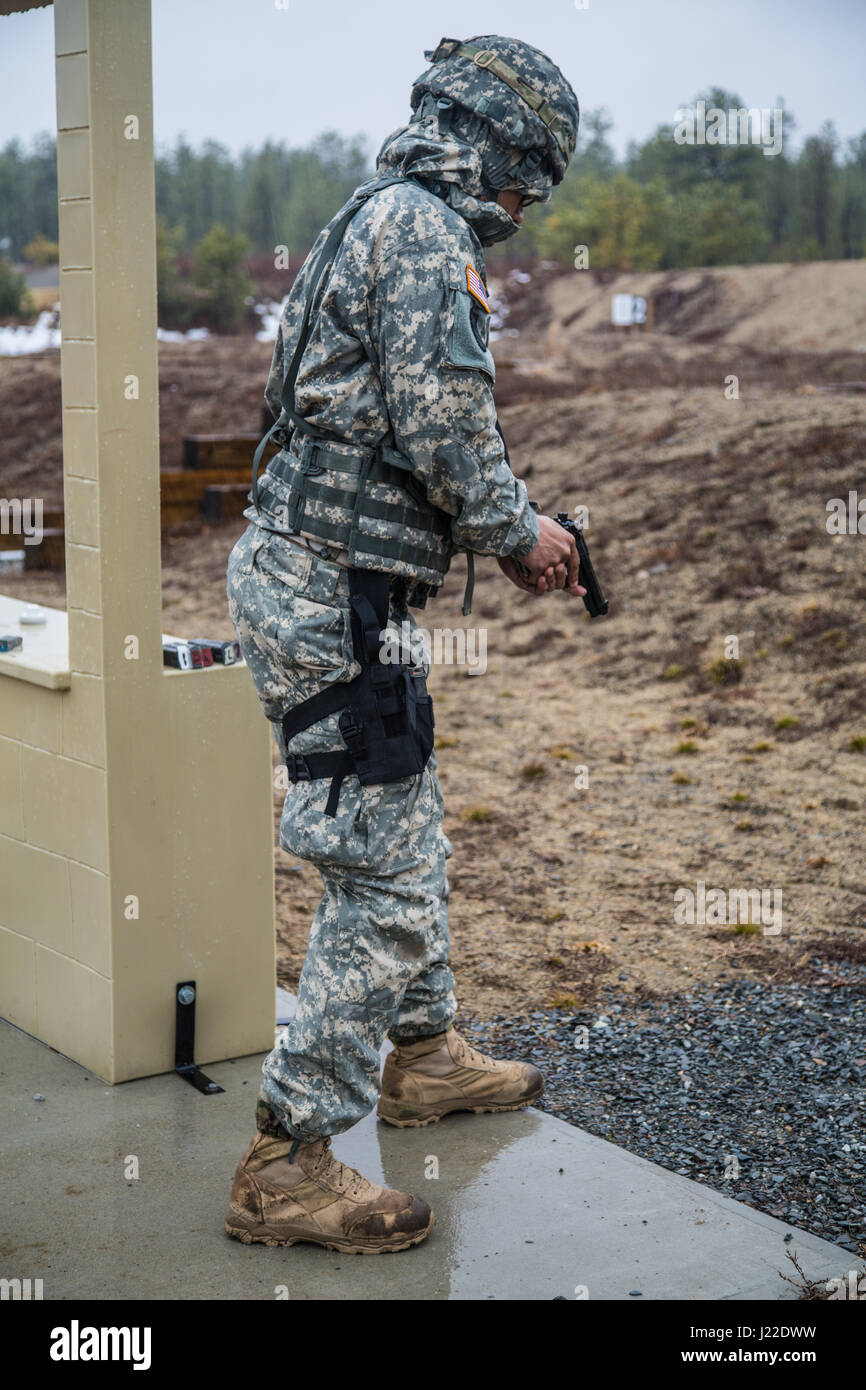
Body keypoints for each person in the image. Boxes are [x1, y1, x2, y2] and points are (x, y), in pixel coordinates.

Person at [225, 34, 581, 1255]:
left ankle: (422, 1057)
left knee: (403, 816)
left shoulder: (376, 213)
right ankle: (285, 1160)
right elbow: (442, 419)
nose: (526, 207)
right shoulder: (423, 229)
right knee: (376, 871)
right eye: (529, 178)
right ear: (494, 145)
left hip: (335, 586)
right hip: (329, 592)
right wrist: (522, 534)